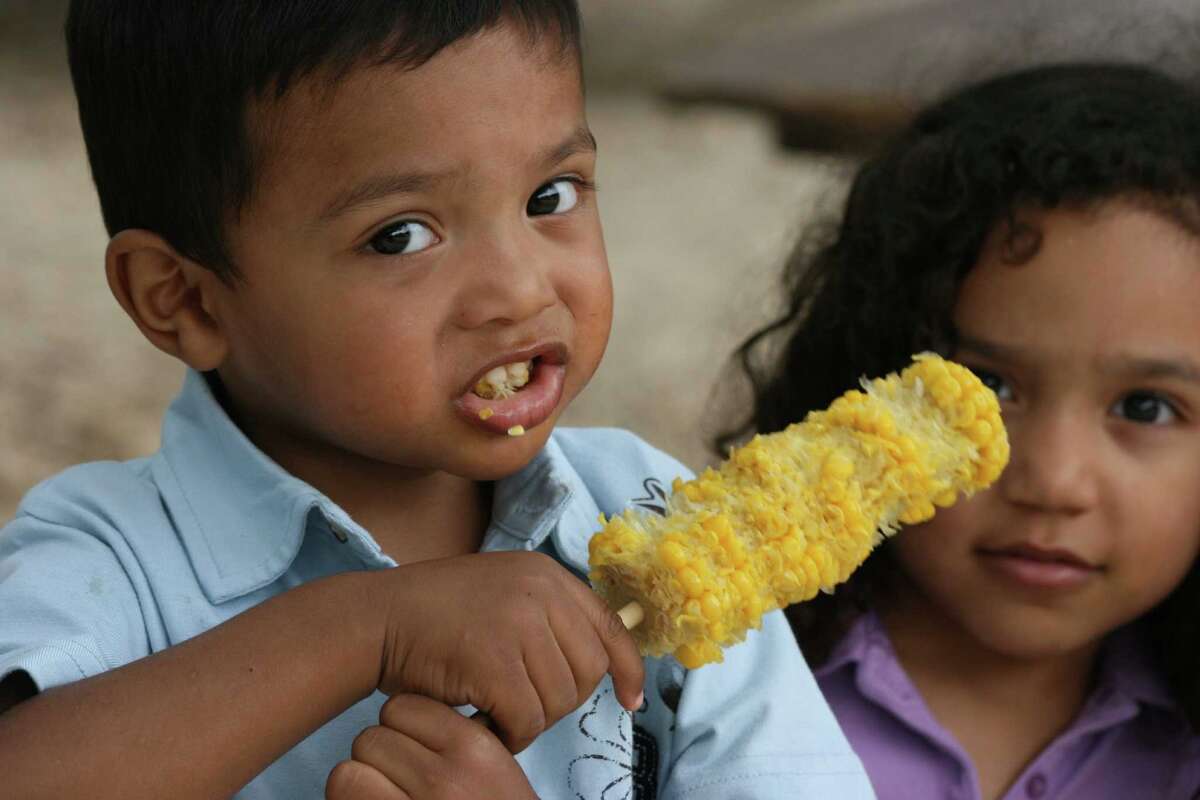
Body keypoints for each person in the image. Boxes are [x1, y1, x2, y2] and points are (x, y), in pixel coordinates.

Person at [0, 2, 876, 798]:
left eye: (550, 196)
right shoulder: (109, 558)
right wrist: (363, 632)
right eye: (401, 236)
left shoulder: (651, 512)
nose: (520, 289)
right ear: (184, 298)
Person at [719, 62, 1200, 800]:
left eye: (1145, 407)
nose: (1053, 481)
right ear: (863, 382)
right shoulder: (709, 704)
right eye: (989, 388)